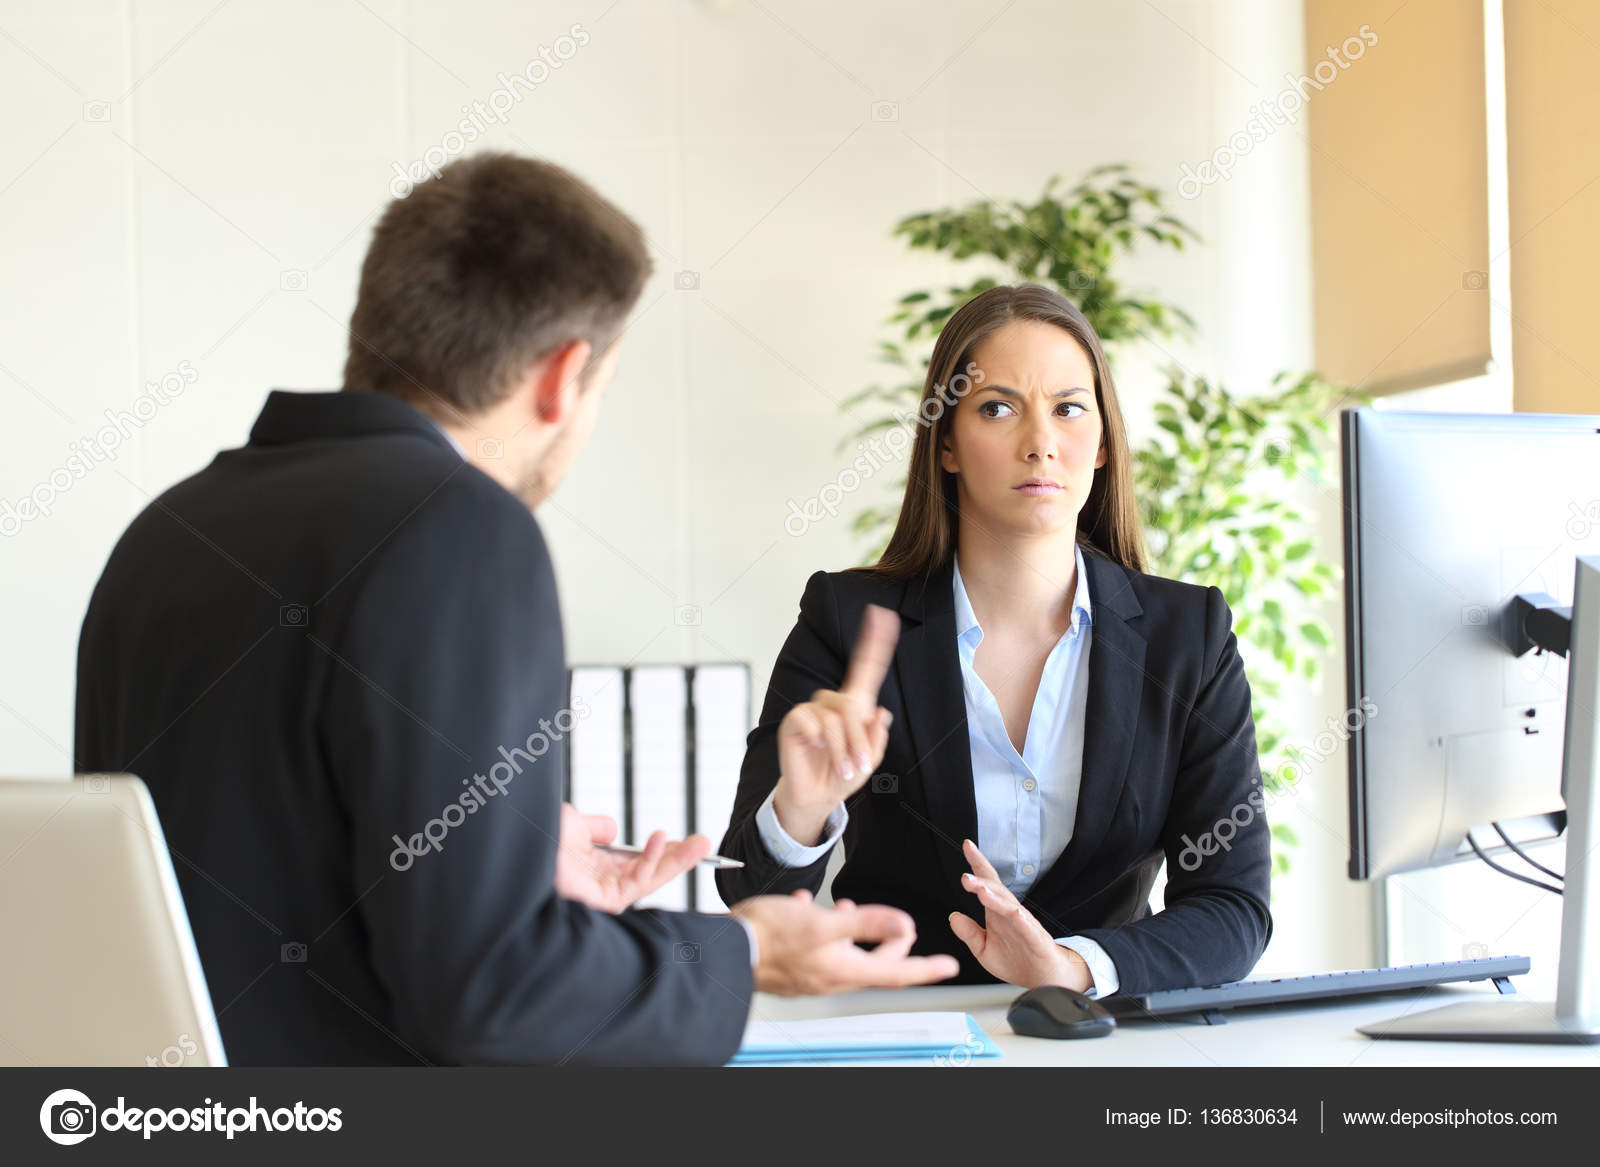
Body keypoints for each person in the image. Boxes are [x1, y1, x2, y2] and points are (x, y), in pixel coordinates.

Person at [73, 152, 957, 1067]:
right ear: (563, 376)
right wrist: (745, 952)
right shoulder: (457, 527)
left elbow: (261, 880)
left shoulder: (172, 526)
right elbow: (497, 995)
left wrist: (505, 862)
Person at [716, 283, 1272, 999]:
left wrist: (1073, 967)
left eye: (1070, 408)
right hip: (902, 1040)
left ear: (1102, 443)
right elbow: (749, 899)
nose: (1040, 441)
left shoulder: (1187, 637)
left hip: (1102, 1042)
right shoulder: (847, 620)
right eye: (998, 408)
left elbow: (1233, 908)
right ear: (946, 443)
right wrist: (802, 805)